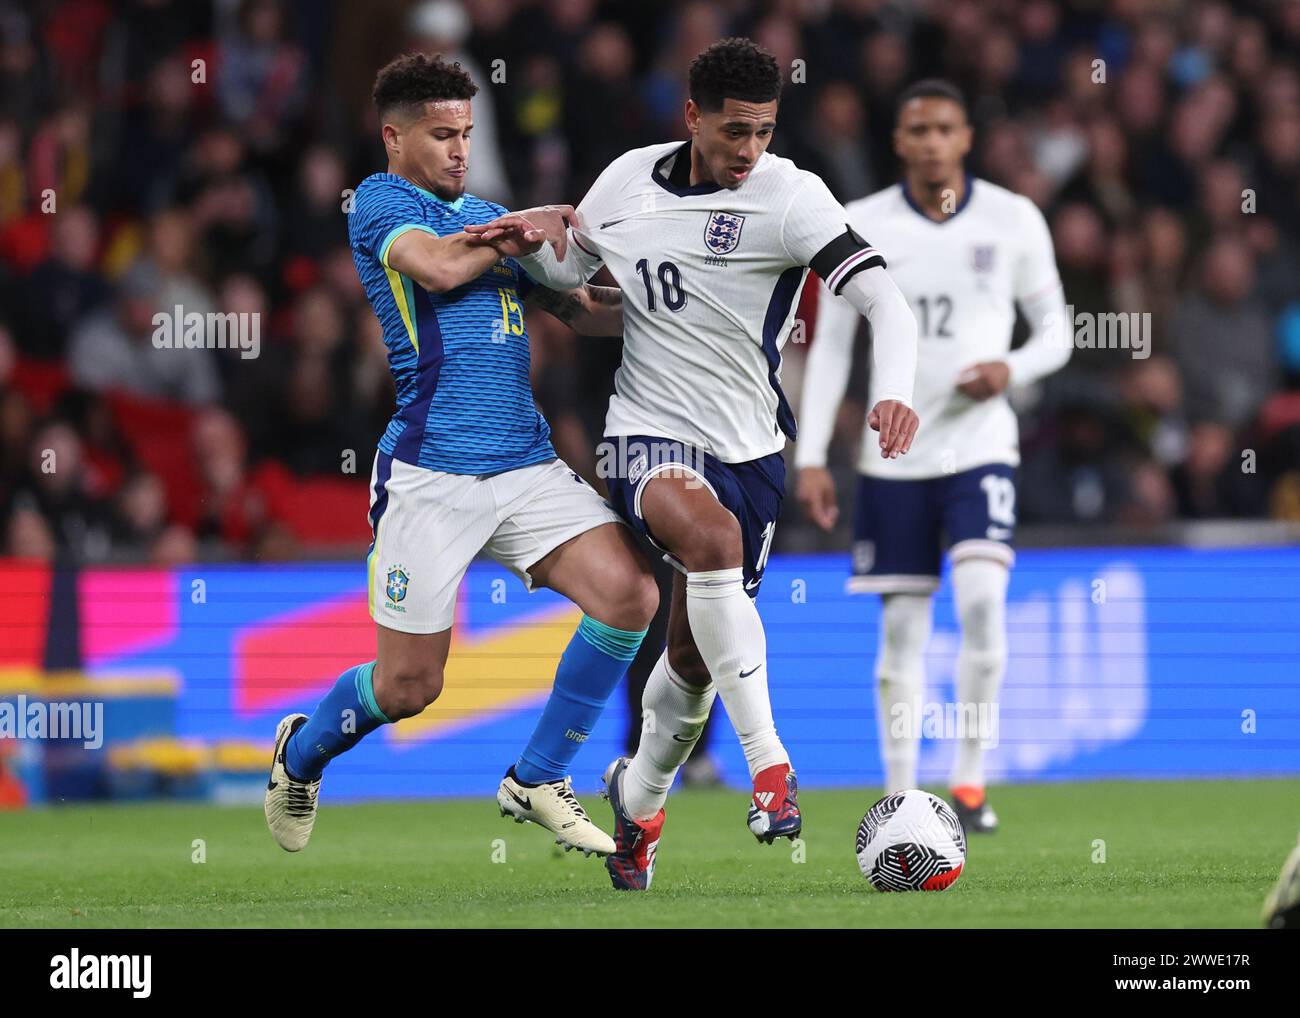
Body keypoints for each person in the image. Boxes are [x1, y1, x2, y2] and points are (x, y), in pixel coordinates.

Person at [470, 38, 919, 889]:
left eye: (763, 131)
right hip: (646, 434)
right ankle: (773, 772)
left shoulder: (791, 197)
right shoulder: (626, 183)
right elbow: (578, 285)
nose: (749, 149)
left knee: (690, 666)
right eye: (734, 130)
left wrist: (895, 390)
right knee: (707, 542)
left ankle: (636, 807)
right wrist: (534, 239)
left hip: (752, 450)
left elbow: (882, 301)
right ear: (691, 116)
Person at [264, 53, 659, 860]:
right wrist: (518, 232)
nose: (458, 149)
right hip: (430, 471)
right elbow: (441, 269)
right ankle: (301, 755)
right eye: (442, 134)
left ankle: (539, 774)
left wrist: (677, 298)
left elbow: (583, 312)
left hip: (524, 463)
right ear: (394, 137)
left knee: (630, 596)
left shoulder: (488, 215)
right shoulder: (380, 203)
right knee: (411, 687)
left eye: (467, 133)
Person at [795, 79, 1071, 833]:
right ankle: (903, 795)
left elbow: (1058, 331)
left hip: (981, 447)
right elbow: (830, 350)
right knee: (902, 631)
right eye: (917, 129)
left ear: (967, 138)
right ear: (898, 141)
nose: (930, 142)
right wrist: (813, 453)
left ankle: (973, 782)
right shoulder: (862, 223)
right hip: (893, 459)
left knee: (983, 603)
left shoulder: (1015, 219)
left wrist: (1012, 369)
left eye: (945, 128)